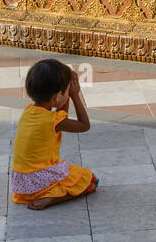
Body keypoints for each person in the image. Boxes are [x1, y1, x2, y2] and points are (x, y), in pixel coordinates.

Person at [11, 59, 98, 210]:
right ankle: (52, 198)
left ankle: (44, 193)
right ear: (58, 96)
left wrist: (66, 90)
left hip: (22, 182)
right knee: (90, 180)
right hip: (38, 179)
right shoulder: (54, 121)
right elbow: (84, 125)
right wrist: (75, 95)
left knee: (70, 172)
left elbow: (60, 113)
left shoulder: (29, 110)